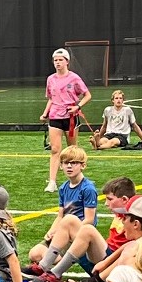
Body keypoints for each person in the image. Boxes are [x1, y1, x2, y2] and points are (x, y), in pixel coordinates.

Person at [25, 146, 99, 276]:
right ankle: (61, 259)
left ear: (83, 166)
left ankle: (55, 266)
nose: (69, 166)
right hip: (64, 232)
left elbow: (89, 220)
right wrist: (52, 231)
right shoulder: (64, 187)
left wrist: (65, 232)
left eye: (74, 163)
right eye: (66, 163)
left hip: (78, 232)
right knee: (34, 253)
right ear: (61, 166)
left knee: (68, 222)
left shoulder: (88, 188)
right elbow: (60, 216)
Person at [41, 48, 91, 192]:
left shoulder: (74, 78)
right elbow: (51, 98)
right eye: (55, 60)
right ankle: (52, 182)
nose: (57, 63)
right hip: (55, 116)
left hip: (70, 117)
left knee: (72, 150)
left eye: (60, 60)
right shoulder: (50, 79)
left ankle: (77, 179)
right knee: (55, 150)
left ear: (67, 62)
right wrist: (45, 114)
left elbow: (87, 95)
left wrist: (77, 106)